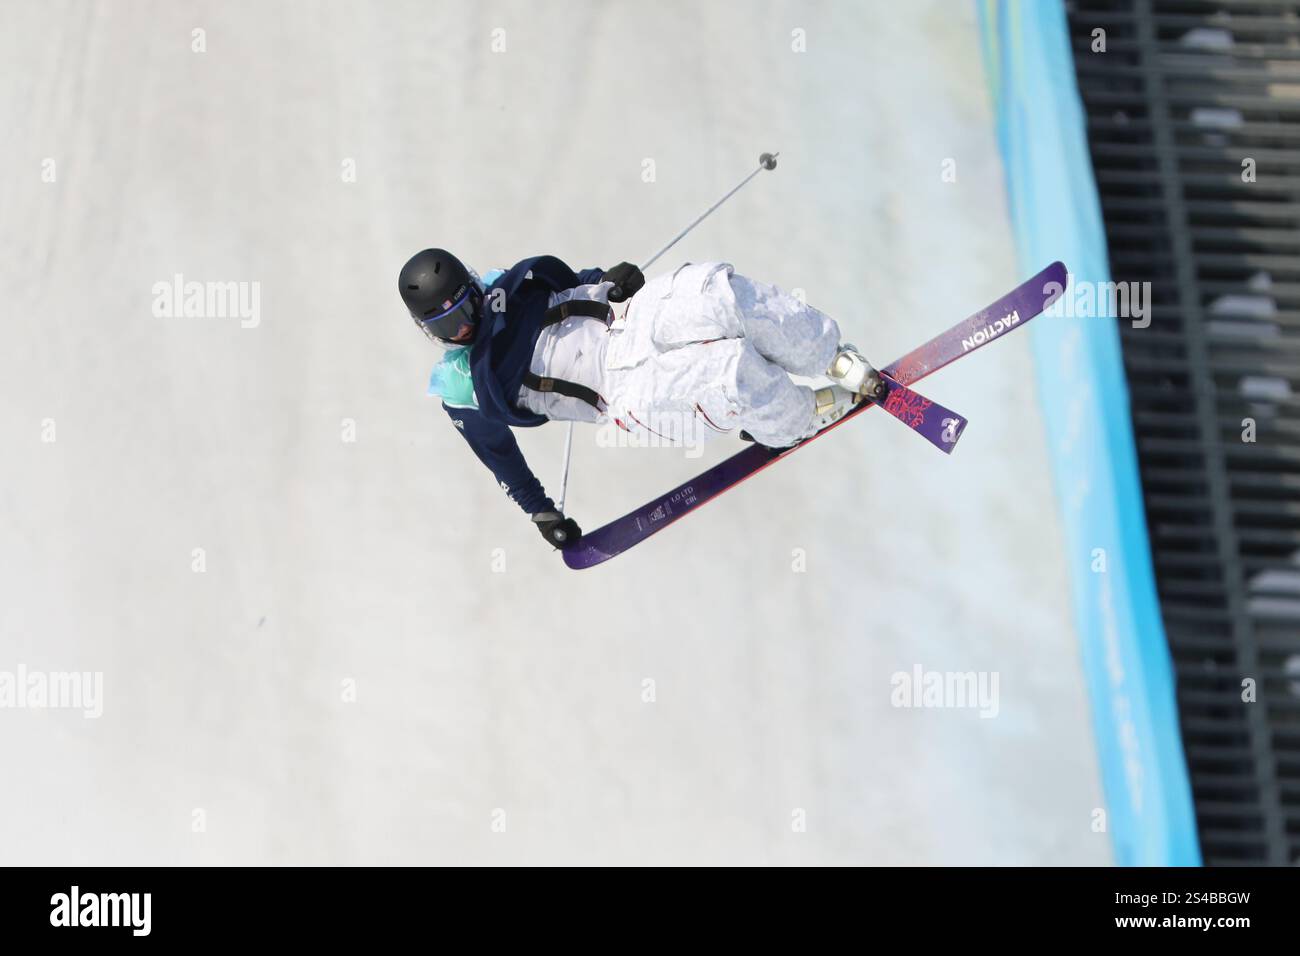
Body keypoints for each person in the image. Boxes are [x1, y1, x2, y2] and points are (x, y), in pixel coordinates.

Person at [398, 248, 883, 548]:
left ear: (473, 290)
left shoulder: (510, 282)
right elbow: (498, 455)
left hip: (629, 319)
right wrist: (540, 510)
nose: (461, 329)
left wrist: (609, 277)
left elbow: (571, 280)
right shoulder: (463, 384)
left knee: (719, 294)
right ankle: (800, 417)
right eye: (444, 326)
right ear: (426, 331)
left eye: (465, 309)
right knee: (729, 371)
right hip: (622, 390)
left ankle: (831, 355)